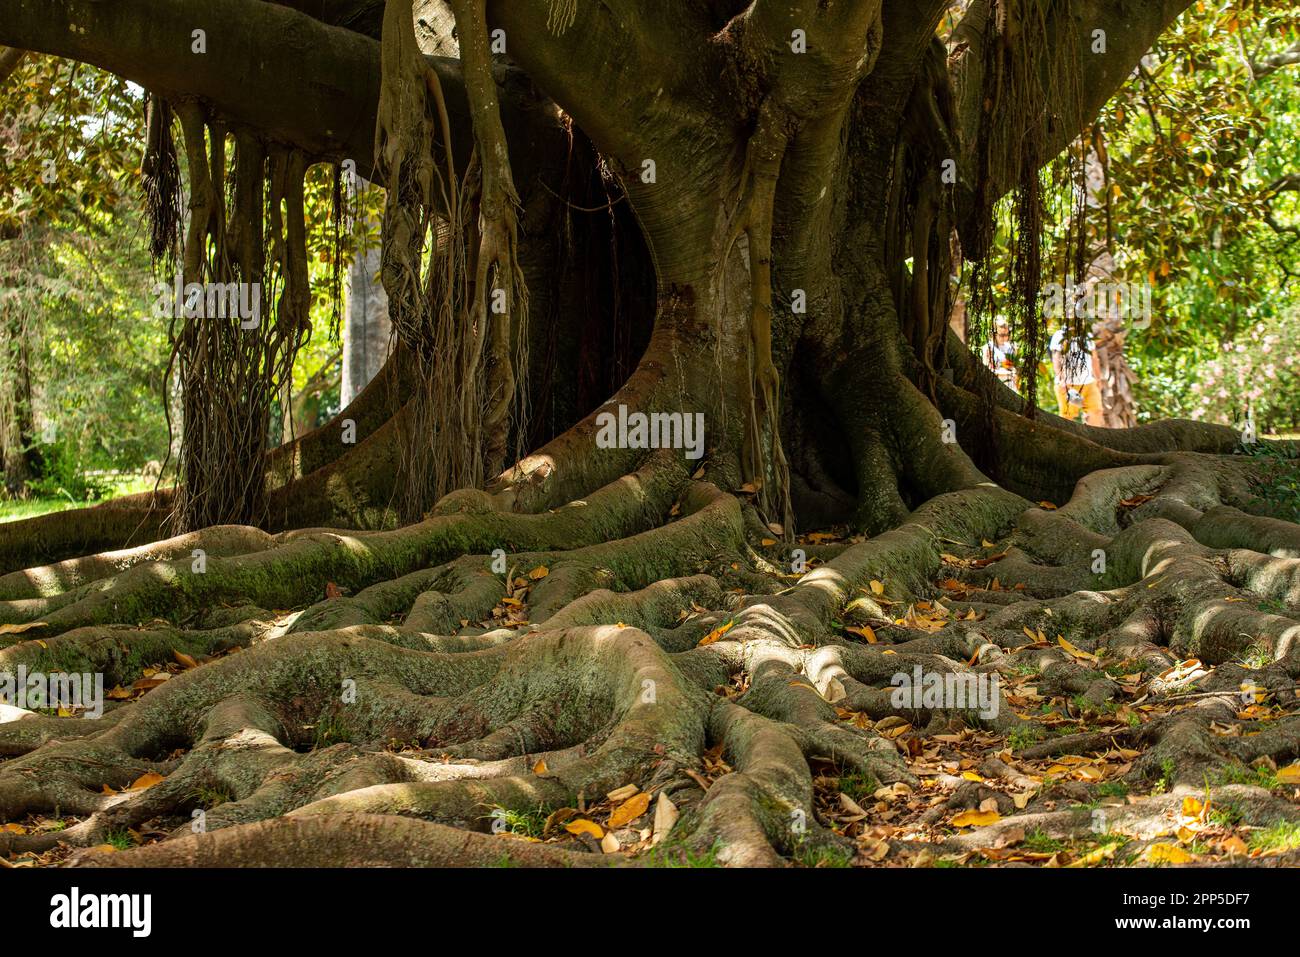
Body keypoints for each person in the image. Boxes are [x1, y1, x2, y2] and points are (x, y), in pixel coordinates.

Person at [1049, 324, 1104, 426]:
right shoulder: (1060, 335)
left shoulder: (1087, 335)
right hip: (1068, 384)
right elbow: (1056, 359)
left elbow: (1094, 358)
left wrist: (1099, 379)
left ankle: (1091, 439)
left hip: (1088, 382)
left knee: (1096, 412)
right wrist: (1062, 381)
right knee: (1068, 417)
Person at [981, 317, 1019, 392]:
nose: (1005, 338)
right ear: (994, 334)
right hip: (995, 385)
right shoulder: (988, 348)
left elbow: (1015, 367)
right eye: (1001, 335)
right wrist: (1005, 373)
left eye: (1007, 335)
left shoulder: (1011, 347)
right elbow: (987, 370)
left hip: (1011, 385)